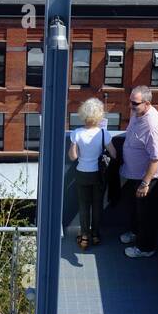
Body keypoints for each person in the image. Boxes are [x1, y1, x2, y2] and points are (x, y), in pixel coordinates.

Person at [120, 86, 158, 258]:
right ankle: (134, 232)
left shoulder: (153, 126)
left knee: (146, 214)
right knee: (135, 209)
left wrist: (145, 183)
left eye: (135, 103)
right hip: (134, 174)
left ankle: (145, 248)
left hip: (148, 178)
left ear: (147, 104)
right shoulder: (137, 113)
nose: (130, 105)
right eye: (130, 101)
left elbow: (156, 158)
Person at [68, 98, 115, 249]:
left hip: (82, 173)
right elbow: (114, 154)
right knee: (97, 205)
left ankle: (84, 238)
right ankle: (95, 235)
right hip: (98, 174)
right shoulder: (103, 133)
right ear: (99, 115)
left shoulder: (76, 133)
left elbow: (73, 156)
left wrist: (74, 144)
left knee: (83, 206)